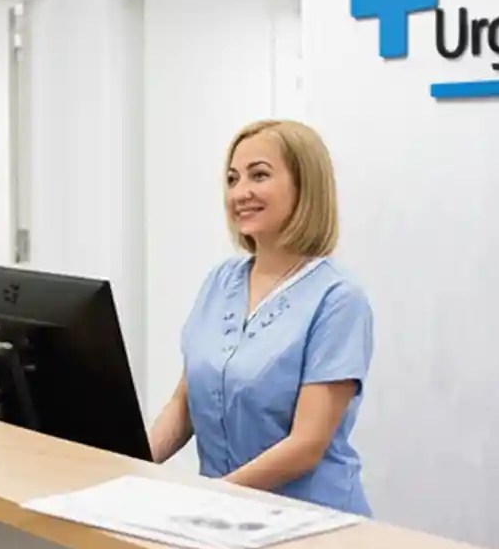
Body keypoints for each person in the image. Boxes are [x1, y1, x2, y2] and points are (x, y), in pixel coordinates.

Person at [147, 119, 375, 516]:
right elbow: (184, 404)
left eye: (259, 175)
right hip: (220, 514)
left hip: (309, 521)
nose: (240, 193)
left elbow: (306, 445)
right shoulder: (221, 280)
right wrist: (129, 467)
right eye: (233, 179)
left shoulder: (338, 298)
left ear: (304, 186)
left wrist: (208, 498)